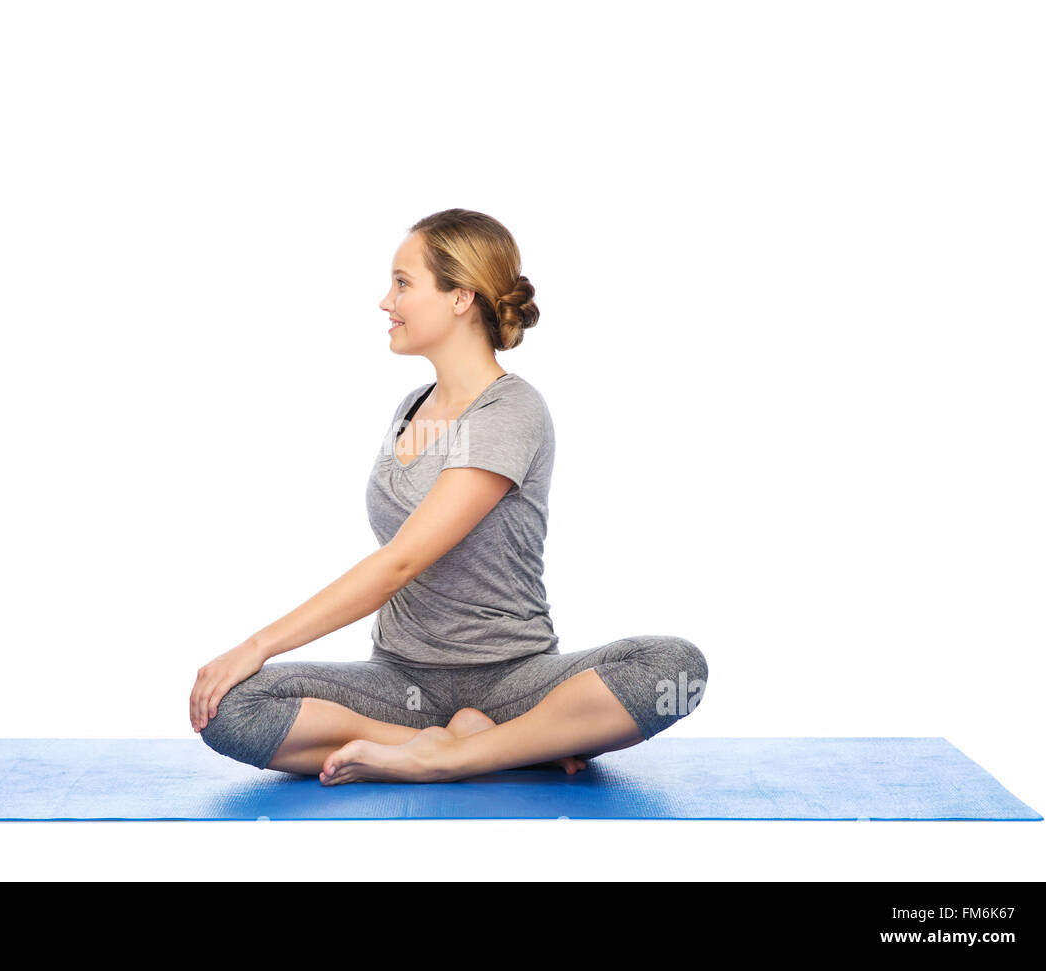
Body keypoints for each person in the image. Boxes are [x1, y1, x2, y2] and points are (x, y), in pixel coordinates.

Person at [189, 208, 708, 785]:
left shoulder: (511, 410)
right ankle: (483, 747)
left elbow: (403, 560)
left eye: (404, 284)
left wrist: (255, 644)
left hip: (514, 681)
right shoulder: (412, 406)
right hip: (400, 685)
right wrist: (247, 665)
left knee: (673, 671)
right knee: (231, 709)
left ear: (461, 297)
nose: (387, 301)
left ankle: (453, 756)